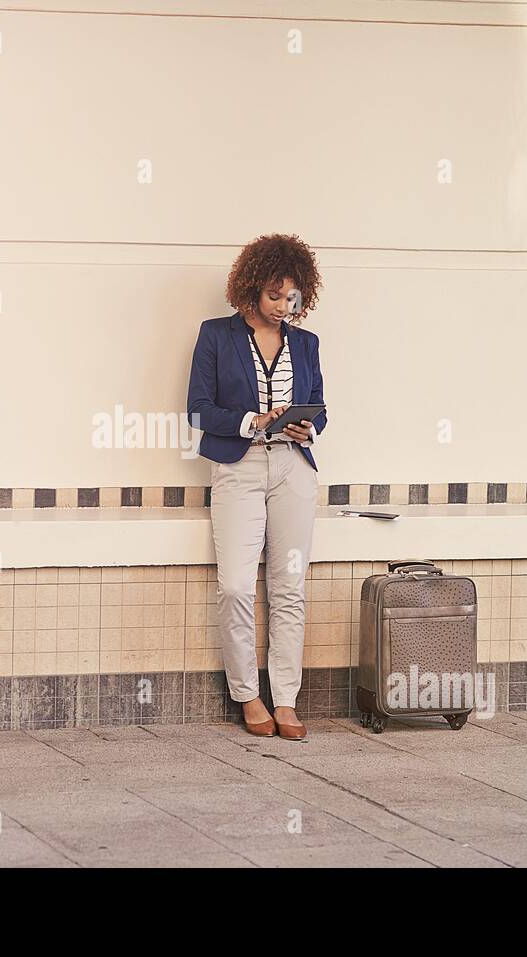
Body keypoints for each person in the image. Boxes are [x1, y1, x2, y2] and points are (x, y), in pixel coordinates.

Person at [185, 233, 327, 741]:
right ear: (250, 288)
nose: (282, 307)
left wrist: (307, 426)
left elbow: (321, 408)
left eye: (291, 298)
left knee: (290, 588)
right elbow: (198, 409)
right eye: (273, 295)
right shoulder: (217, 335)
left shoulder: (306, 344)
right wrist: (252, 419)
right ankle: (247, 695)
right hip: (238, 468)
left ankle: (285, 698)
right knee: (237, 586)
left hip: (294, 469)